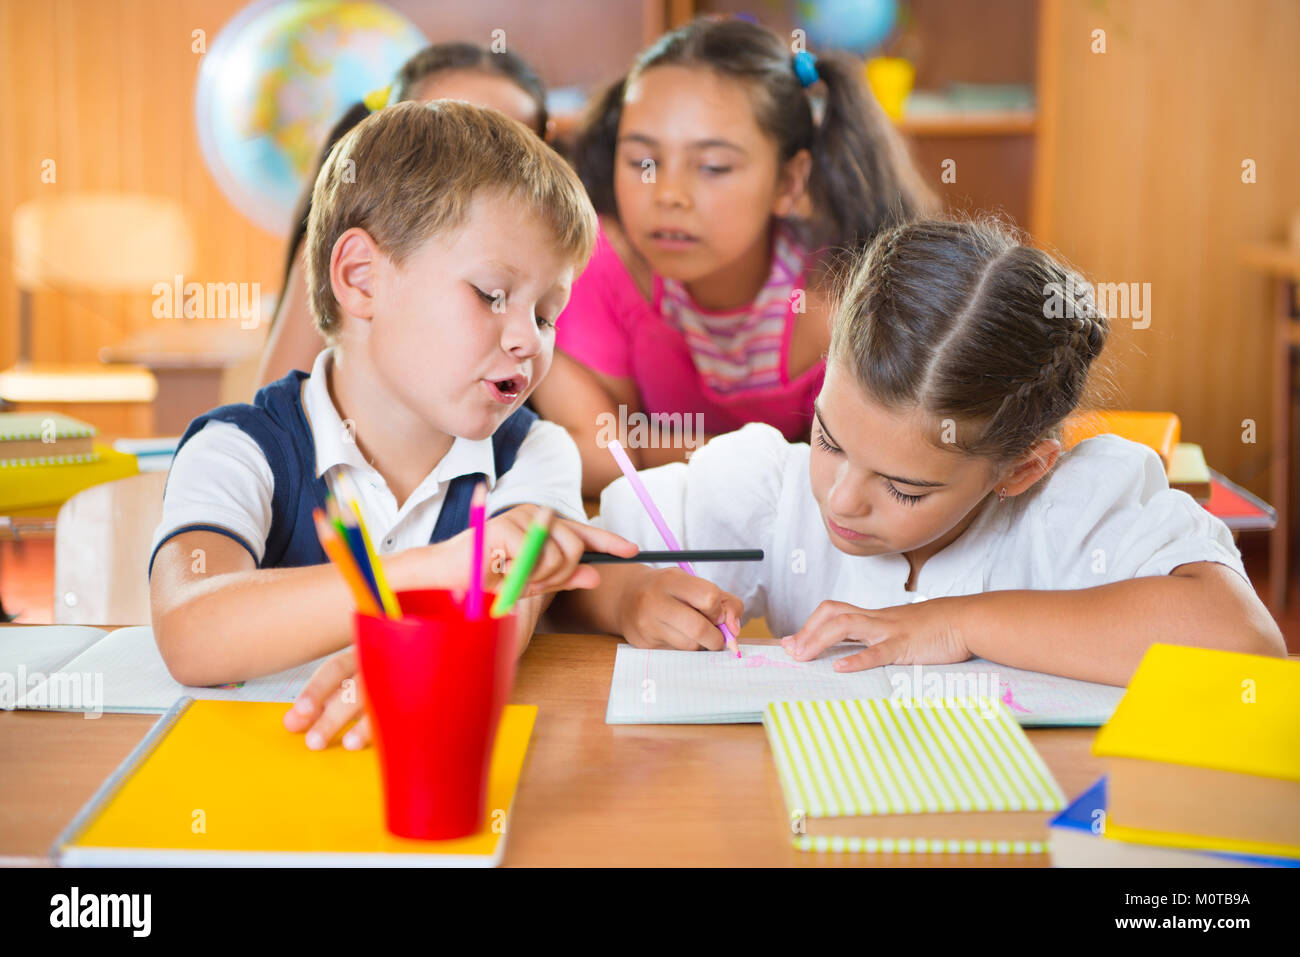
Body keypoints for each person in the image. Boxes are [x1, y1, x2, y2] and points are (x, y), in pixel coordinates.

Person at [566, 218, 1284, 685]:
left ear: (1020, 468)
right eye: (827, 437)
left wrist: (958, 621)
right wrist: (629, 599)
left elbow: (1245, 643)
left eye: (905, 488)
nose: (842, 498)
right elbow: (575, 566)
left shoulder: (1074, 508)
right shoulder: (766, 487)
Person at [150, 102, 636, 749]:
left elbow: (503, 618)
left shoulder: (535, 453)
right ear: (360, 277)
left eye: (548, 314)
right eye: (492, 293)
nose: (527, 339)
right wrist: (428, 571)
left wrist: (413, 645)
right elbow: (192, 627)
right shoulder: (239, 447)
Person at [531, 17, 933, 496]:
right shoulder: (590, 263)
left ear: (789, 182)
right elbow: (599, 457)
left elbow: (879, 470)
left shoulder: (843, 297)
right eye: (643, 162)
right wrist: (780, 462)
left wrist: (657, 450)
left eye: (714, 166)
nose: (669, 194)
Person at [258, 42, 554, 386]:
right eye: (443, 147)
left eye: (510, 154)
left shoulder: (554, 262)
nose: (477, 174)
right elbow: (276, 410)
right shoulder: (352, 251)